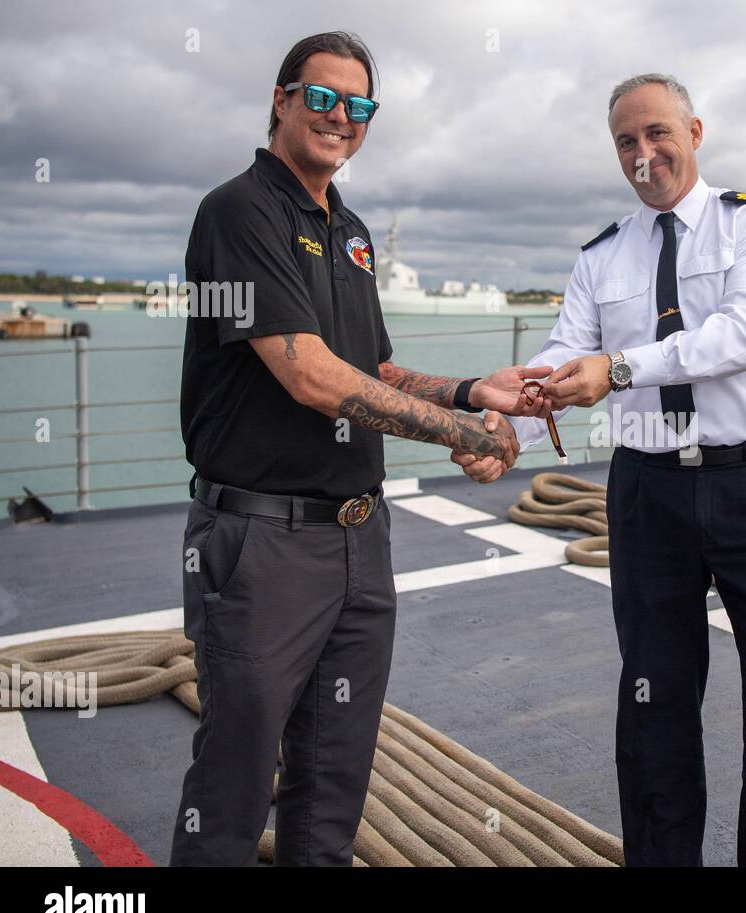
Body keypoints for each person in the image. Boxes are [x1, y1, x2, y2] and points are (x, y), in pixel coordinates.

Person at [171, 31, 550, 866]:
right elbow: (306, 374)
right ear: (281, 99)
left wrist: (469, 394)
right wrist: (465, 437)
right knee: (234, 783)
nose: (341, 117)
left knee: (334, 776)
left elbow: (368, 367)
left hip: (357, 537)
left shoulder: (349, 229)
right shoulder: (239, 210)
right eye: (322, 97)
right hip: (264, 545)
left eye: (360, 105)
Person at [477, 73, 746, 866]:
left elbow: (740, 336)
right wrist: (502, 436)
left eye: (657, 134)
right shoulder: (603, 256)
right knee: (654, 700)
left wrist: (622, 369)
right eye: (626, 142)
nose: (643, 154)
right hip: (649, 492)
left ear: (694, 133)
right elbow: (565, 360)